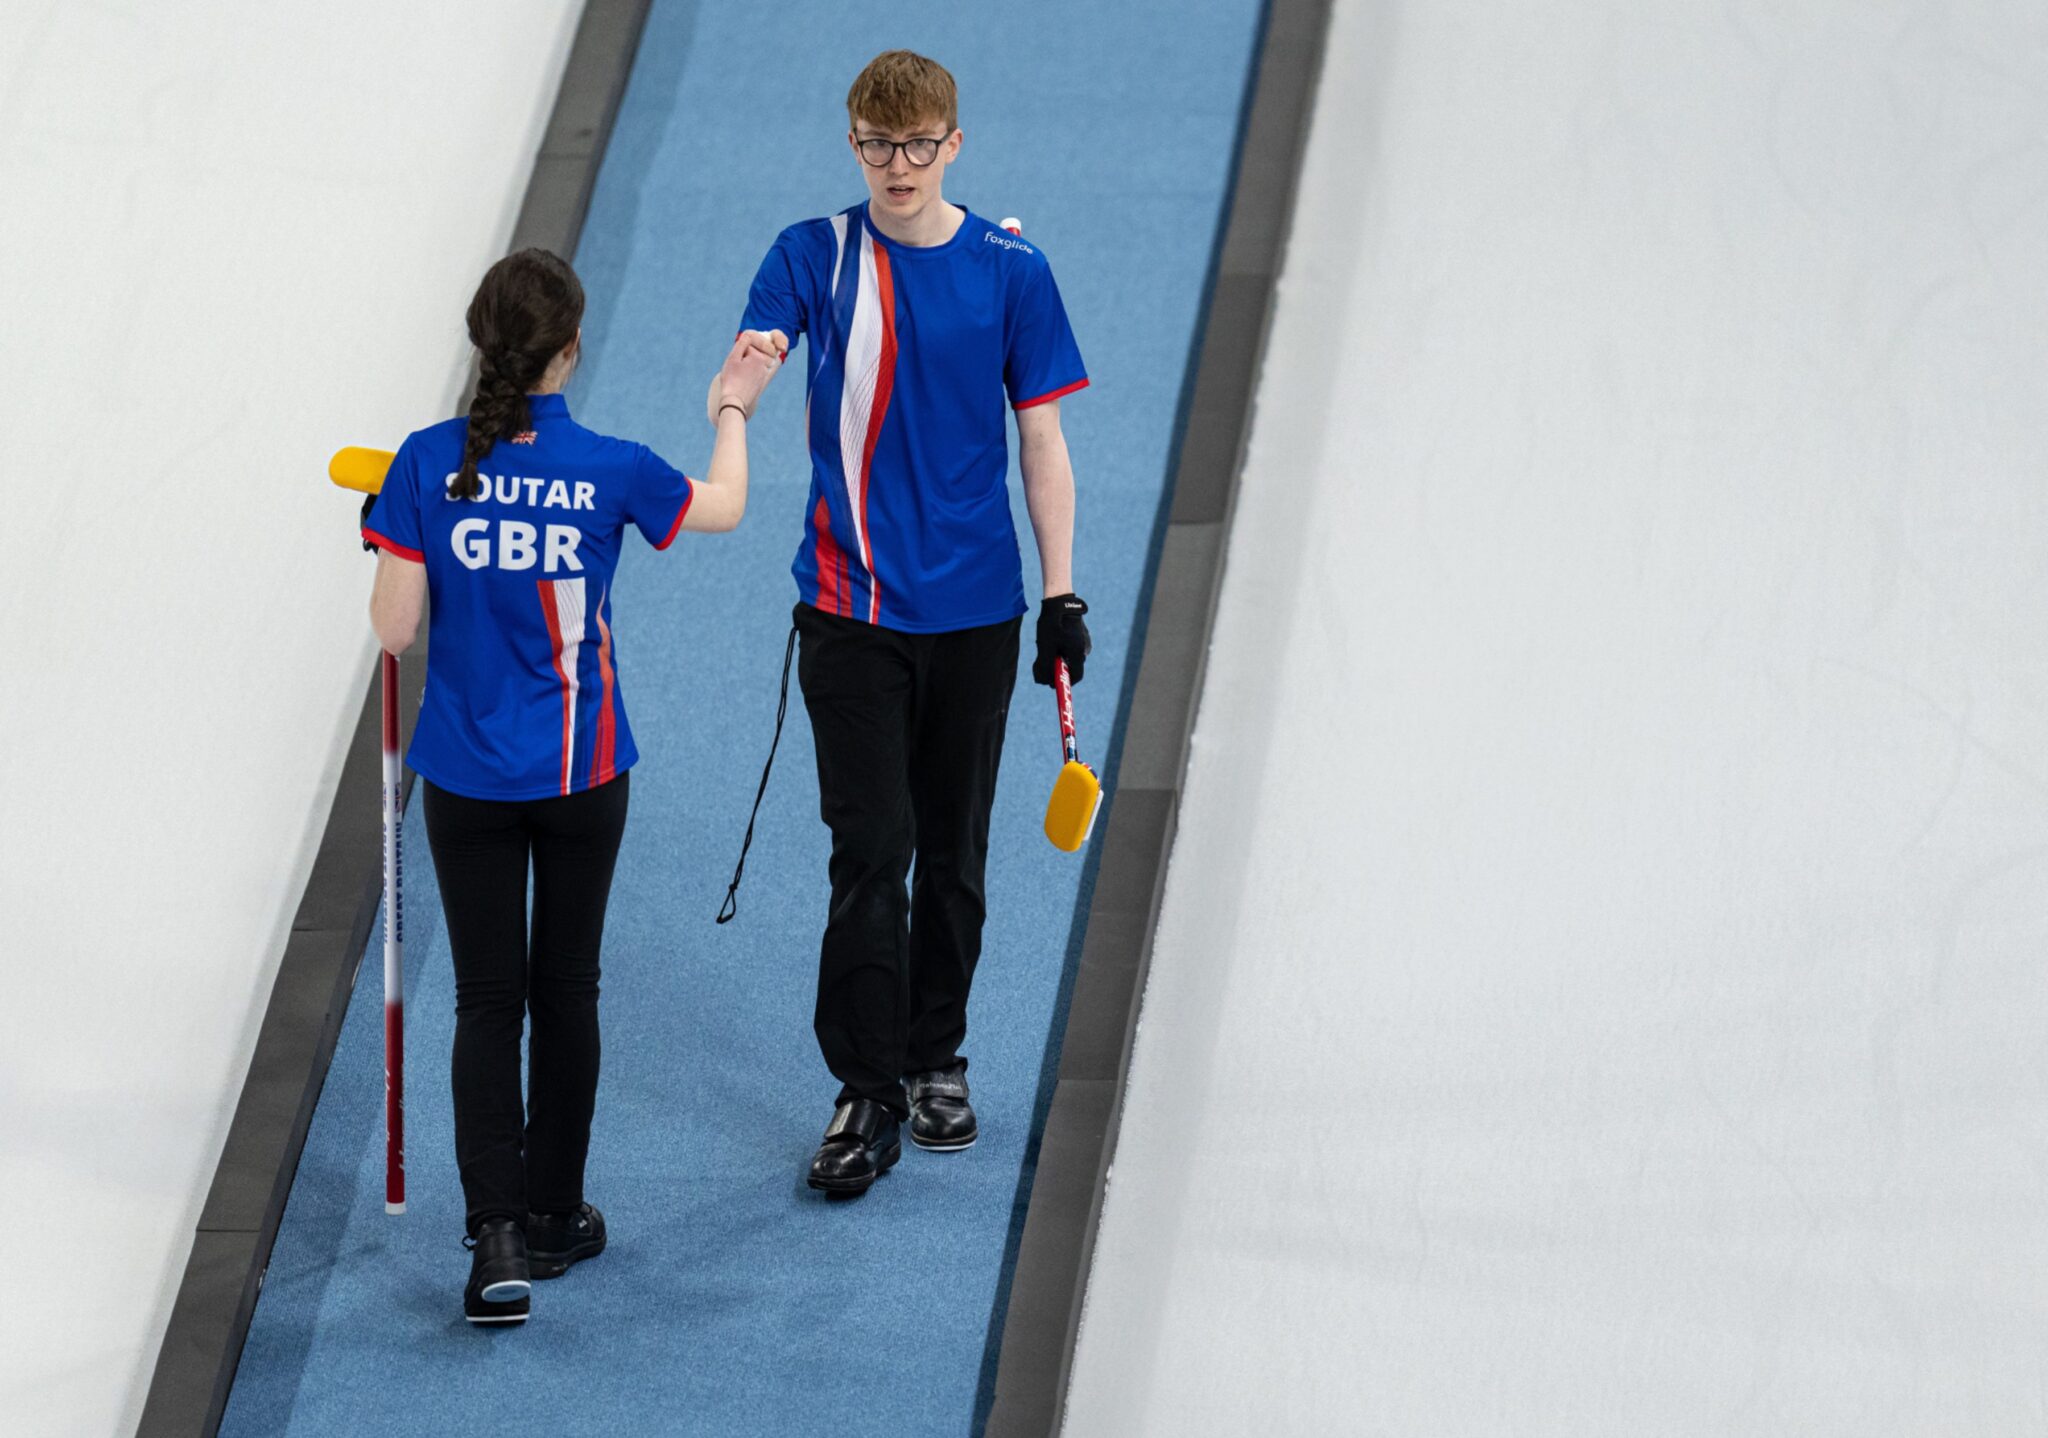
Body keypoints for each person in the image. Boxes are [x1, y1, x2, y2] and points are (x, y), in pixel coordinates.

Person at [364, 248, 781, 1321]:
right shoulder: (610, 466)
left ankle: (494, 1235)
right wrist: (731, 405)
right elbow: (726, 507)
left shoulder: (422, 464)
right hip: (583, 768)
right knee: (568, 990)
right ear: (571, 349)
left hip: (463, 775)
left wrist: (386, 531)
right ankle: (555, 1211)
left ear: (479, 342)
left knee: (487, 998)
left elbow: (395, 629)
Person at [729, 50, 1094, 1196]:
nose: (897, 165)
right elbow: (753, 352)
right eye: (877, 144)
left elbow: (1041, 442)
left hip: (978, 613)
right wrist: (734, 400)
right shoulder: (812, 253)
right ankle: (868, 1087)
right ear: (852, 142)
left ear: (953, 146)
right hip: (848, 611)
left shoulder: (1011, 269)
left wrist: (1062, 594)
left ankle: (937, 1055)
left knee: (955, 855)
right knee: (868, 852)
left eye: (918, 145)